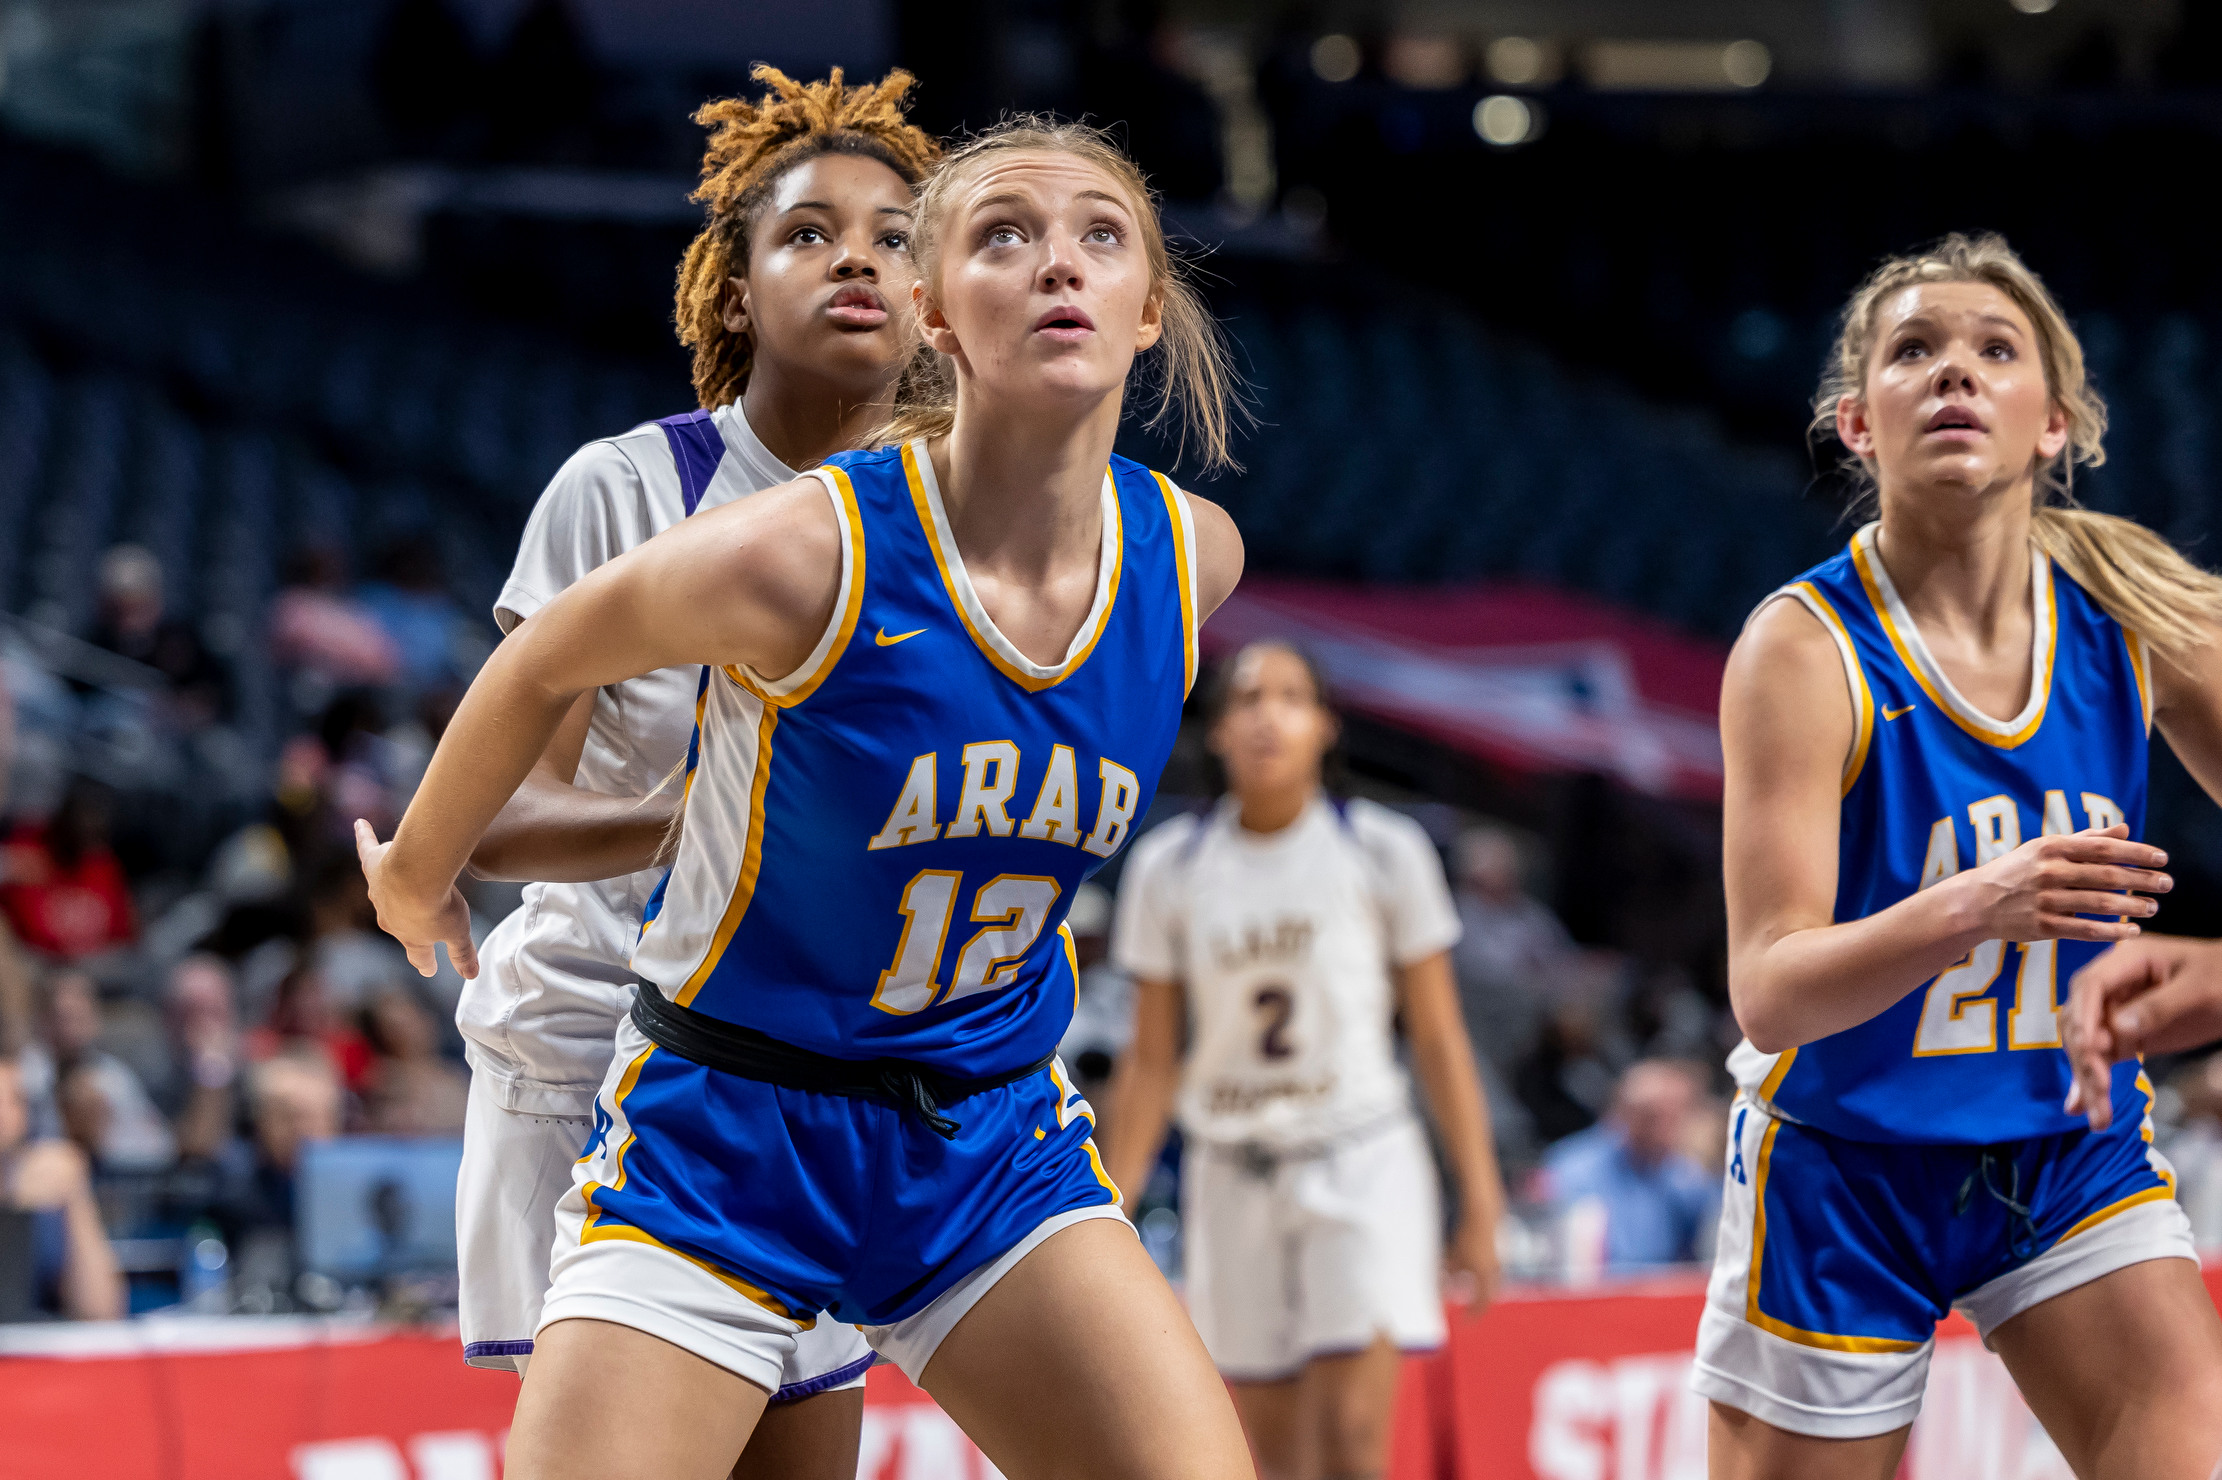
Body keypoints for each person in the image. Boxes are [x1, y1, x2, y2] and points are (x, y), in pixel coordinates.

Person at [358, 113, 1250, 1480]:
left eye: (1099, 235)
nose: (1058, 262)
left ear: (1147, 310)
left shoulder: (1192, 559)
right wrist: (417, 874)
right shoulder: (803, 546)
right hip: (732, 1126)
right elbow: (540, 656)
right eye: (1005, 235)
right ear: (933, 312)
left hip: (983, 1128)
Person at [439, 67, 942, 1478]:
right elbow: (505, 818)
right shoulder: (626, 488)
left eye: (895, 238)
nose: (856, 258)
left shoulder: (946, 529)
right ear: (730, 292)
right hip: (597, 1049)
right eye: (808, 233)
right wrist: (721, 816)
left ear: (934, 303)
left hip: (807, 1069)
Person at [1699, 232, 2222, 1478]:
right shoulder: (1801, 646)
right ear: (1855, 423)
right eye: (1912, 352)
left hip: (2067, 1146)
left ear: (2054, 422)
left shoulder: (2130, 610)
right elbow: (1768, 989)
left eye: (1994, 351)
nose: (1953, 373)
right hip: (1841, 1168)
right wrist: (1976, 902)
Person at [1102, 640, 1505, 1480]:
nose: (1268, 717)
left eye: (1291, 697)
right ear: (1218, 731)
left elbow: (1438, 1037)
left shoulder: (1385, 850)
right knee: (1276, 1460)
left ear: (1326, 725)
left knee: (1354, 1446)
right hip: (1232, 1164)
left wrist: (1481, 1196)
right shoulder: (1169, 866)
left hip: (1360, 1155)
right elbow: (1151, 1058)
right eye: (1248, 699)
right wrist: (1112, 1211)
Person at [1539, 1059, 1716, 1274]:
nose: (1667, 1128)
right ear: (1624, 1112)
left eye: (1676, 1115)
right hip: (1599, 1287)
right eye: (1654, 1116)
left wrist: (1706, 1162)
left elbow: (1713, 1235)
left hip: (1666, 1287)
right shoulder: (1574, 1166)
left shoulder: (1680, 1170)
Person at [0, 1054, 124, 1319]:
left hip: (34, 1338)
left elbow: (100, 1312)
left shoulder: (45, 1181)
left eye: (15, 1100)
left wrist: (76, 1194)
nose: (5, 1113)